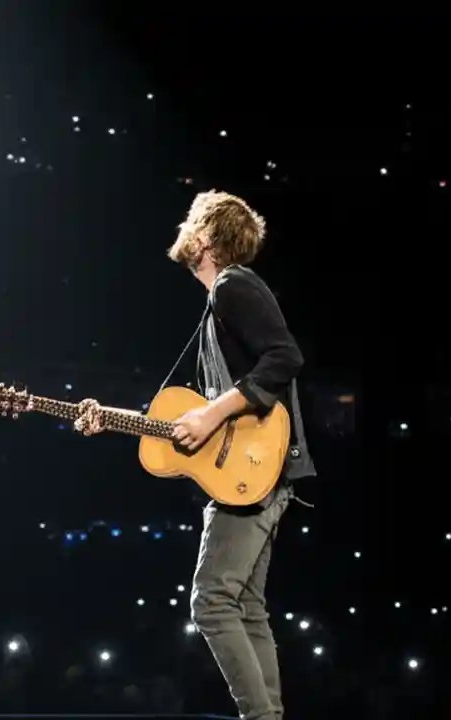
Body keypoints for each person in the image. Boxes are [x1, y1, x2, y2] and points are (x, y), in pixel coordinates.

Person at [76, 190, 315, 720]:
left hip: (255, 470)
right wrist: (113, 417)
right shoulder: (221, 300)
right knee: (244, 606)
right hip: (257, 470)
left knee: (211, 602)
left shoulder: (233, 285)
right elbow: (188, 422)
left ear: (204, 238)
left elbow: (285, 357)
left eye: (190, 222)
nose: (182, 229)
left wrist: (210, 415)